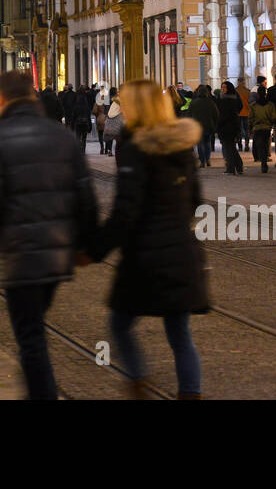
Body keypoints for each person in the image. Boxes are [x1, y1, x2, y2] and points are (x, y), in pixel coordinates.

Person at [0, 71, 96, 400]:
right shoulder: (61, 135)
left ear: (1, 99)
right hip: (57, 250)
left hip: (19, 252)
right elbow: (86, 195)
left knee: (30, 336)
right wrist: (85, 243)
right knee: (34, 326)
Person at [83, 79, 208, 399]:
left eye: (126, 102)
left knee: (120, 325)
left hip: (146, 257)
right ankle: (190, 394)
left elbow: (126, 212)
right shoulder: (181, 145)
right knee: (180, 334)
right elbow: (195, 200)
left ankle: (138, 382)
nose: (121, 106)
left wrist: (94, 249)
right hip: (182, 252)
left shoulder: (135, 146)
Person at [186, 86, 218, 168]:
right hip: (208, 126)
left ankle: (202, 161)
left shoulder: (194, 103)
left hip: (197, 127)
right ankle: (207, 159)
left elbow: (189, 115)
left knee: (200, 144)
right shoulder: (210, 102)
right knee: (207, 143)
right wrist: (214, 125)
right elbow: (216, 115)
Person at [216, 82, 244, 175]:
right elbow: (240, 107)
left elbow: (223, 115)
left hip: (227, 127)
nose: (223, 89)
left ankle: (231, 168)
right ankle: (239, 166)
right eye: (222, 87)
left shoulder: (226, 100)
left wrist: (218, 124)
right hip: (232, 125)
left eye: (225, 87)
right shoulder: (234, 97)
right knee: (231, 148)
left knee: (228, 148)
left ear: (229, 88)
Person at [249, 91, 276, 173]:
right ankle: (264, 162)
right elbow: (274, 117)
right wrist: (270, 123)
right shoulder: (270, 105)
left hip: (257, 128)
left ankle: (263, 162)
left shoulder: (253, 106)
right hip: (267, 128)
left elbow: (250, 117)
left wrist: (250, 127)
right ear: (265, 94)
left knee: (259, 145)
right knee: (265, 145)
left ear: (258, 94)